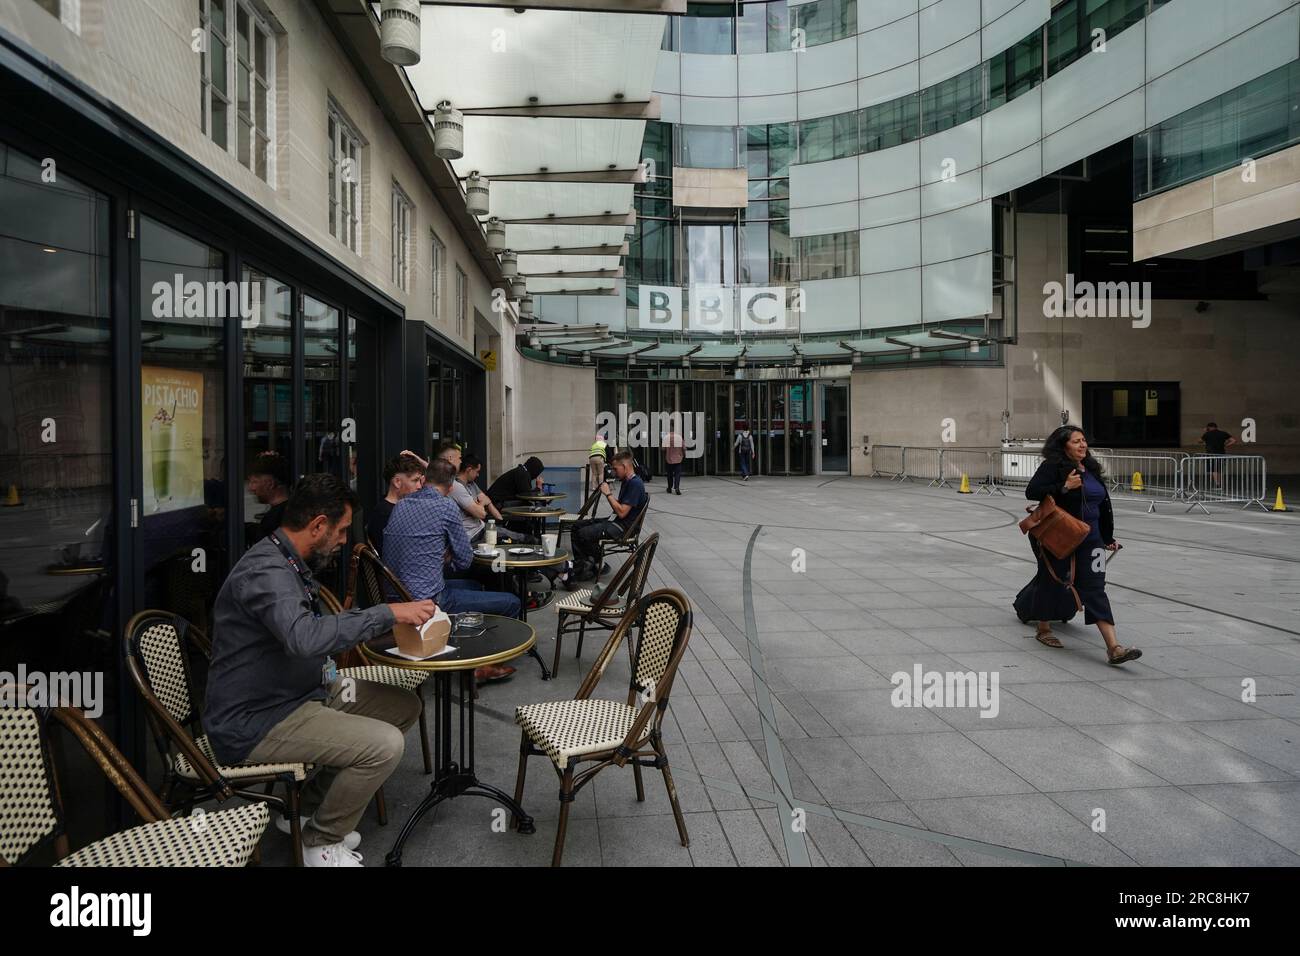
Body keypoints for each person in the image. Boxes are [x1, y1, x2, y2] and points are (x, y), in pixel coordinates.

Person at [205, 473, 436, 867]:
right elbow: (304, 638)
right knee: (384, 746)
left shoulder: (285, 559)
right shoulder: (267, 572)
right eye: (342, 530)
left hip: (300, 692)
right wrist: (385, 613)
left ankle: (310, 809)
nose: (345, 540)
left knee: (402, 707)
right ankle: (320, 842)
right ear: (317, 526)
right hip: (257, 719)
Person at [1015, 425, 1142, 666]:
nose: (1082, 445)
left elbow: (1103, 505)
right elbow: (1032, 491)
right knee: (1052, 579)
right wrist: (1064, 487)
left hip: (1091, 538)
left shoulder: (1091, 468)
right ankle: (1043, 627)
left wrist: (1107, 537)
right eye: (1076, 441)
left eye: (1084, 440)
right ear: (1063, 445)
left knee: (1095, 587)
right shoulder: (1053, 467)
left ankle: (1114, 648)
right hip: (1060, 534)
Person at [384, 459, 518, 681]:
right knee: (511, 602)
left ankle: (461, 639)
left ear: (425, 480)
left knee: (475, 585)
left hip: (396, 596)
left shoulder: (401, 505)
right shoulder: (446, 506)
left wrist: (440, 556)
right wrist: (448, 558)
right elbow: (465, 560)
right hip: (429, 601)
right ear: (450, 487)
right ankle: (483, 666)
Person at [565, 451, 647, 585]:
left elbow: (622, 513)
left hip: (623, 527)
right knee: (577, 526)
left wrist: (608, 494)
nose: (614, 472)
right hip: (615, 521)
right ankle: (589, 565)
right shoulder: (627, 481)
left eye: (616, 468)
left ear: (625, 466)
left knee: (583, 534)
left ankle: (590, 565)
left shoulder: (635, 484)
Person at [366, 454, 425, 554]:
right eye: (415, 480)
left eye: (420, 481)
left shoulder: (403, 508)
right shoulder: (384, 513)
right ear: (397, 482)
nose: (419, 486)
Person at [247, 451, 292, 543]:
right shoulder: (293, 511)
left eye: (254, 482)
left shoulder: (273, 521)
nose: (251, 488)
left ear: (270, 484)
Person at [1199, 422, 1237, 487]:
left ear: (1209, 427)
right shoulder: (1223, 433)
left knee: (1214, 470)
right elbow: (1234, 440)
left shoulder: (1207, 434)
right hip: (1221, 453)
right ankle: (1219, 483)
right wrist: (1226, 445)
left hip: (1211, 454)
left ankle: (1218, 484)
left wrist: (1205, 432)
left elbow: (1199, 441)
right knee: (1219, 469)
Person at [663, 423, 684, 495]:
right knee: (677, 474)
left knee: (669, 474)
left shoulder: (666, 437)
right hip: (678, 459)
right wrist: (683, 454)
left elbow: (663, 449)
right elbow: (684, 448)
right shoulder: (679, 437)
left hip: (669, 459)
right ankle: (677, 487)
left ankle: (669, 488)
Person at [588, 434, 608, 499]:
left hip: (591, 458)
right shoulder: (603, 444)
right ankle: (600, 487)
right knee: (601, 473)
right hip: (599, 457)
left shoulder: (593, 445)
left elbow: (590, 451)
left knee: (594, 473)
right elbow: (607, 452)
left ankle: (593, 487)